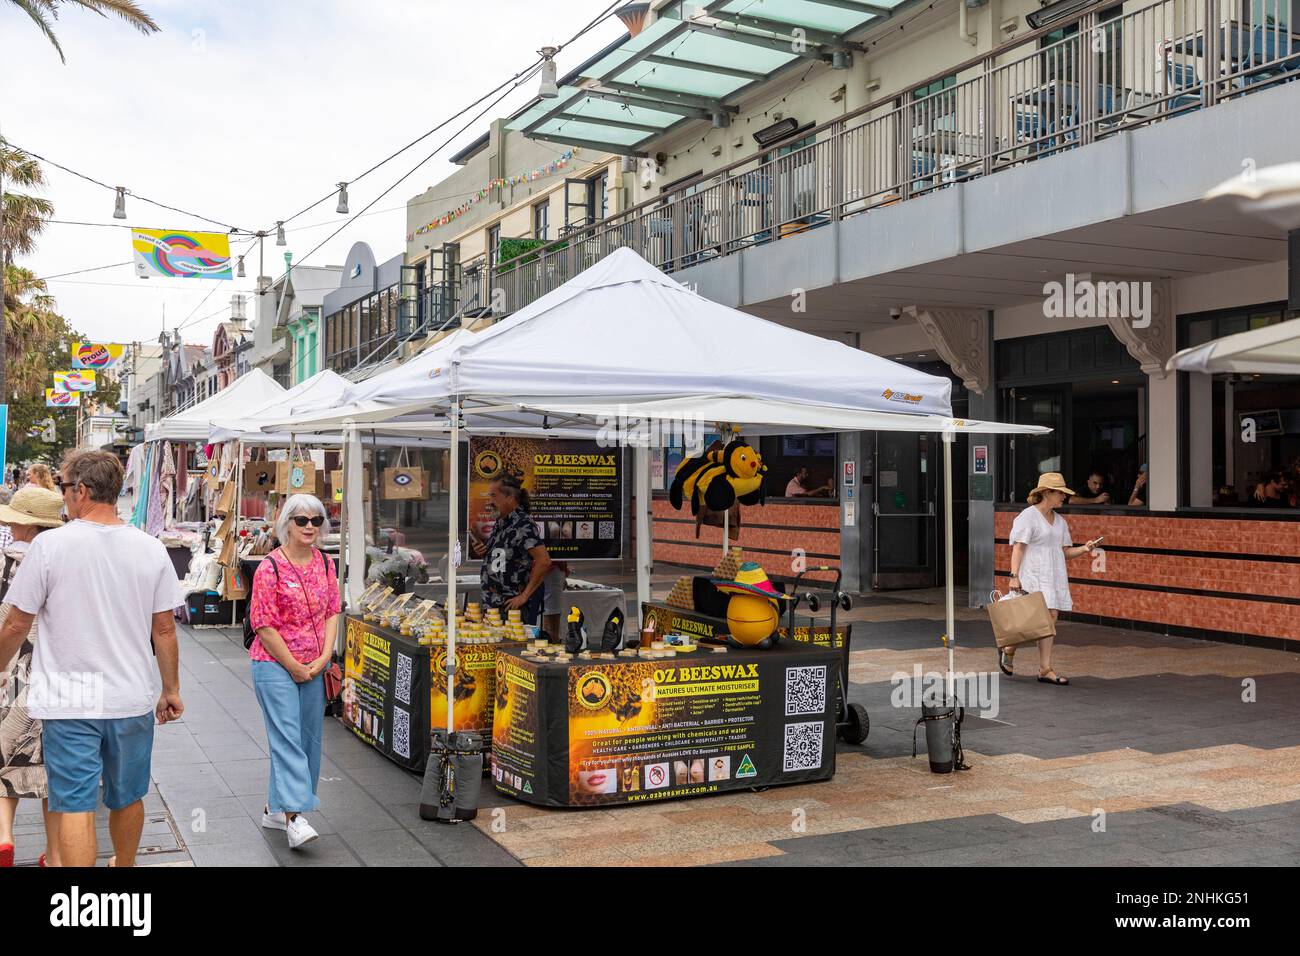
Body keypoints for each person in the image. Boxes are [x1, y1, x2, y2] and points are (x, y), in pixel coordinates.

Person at [0, 450, 183, 868]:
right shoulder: (150, 548)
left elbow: (14, 626)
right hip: (130, 695)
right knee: (128, 795)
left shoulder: (49, 546)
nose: (64, 496)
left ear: (81, 490)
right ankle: (125, 865)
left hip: (69, 699)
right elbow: (165, 630)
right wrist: (170, 689)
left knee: (76, 803)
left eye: (65, 488)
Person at [247, 494, 340, 850]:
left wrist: (324, 655)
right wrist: (294, 666)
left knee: (308, 741)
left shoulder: (325, 563)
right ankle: (296, 818)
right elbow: (263, 625)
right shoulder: (270, 567)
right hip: (274, 665)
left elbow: (333, 609)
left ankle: (275, 809)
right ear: (286, 523)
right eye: (301, 520)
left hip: (314, 665)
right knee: (287, 740)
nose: (309, 527)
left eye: (316, 520)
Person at [0, 487, 66, 868]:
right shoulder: (59, 563)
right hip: (54, 671)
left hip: (9, 670)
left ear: (18, 523)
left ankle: (5, 837)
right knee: (51, 768)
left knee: (4, 756)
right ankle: (56, 856)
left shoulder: (5, 563)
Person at [1000, 473, 1101, 686]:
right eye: (1060, 493)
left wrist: (1084, 548)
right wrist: (1014, 576)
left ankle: (1039, 665)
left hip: (1053, 574)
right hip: (1033, 573)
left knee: (1049, 617)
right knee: (1036, 619)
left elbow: (1063, 551)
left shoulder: (1061, 521)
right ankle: (1012, 650)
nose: (1064, 497)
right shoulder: (1028, 517)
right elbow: (1018, 548)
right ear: (1046, 493)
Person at [480, 475, 552, 626]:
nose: (490, 501)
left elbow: (544, 561)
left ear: (510, 497)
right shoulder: (501, 522)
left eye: (494, 495)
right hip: (493, 604)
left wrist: (524, 596)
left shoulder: (523, 524)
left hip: (511, 607)